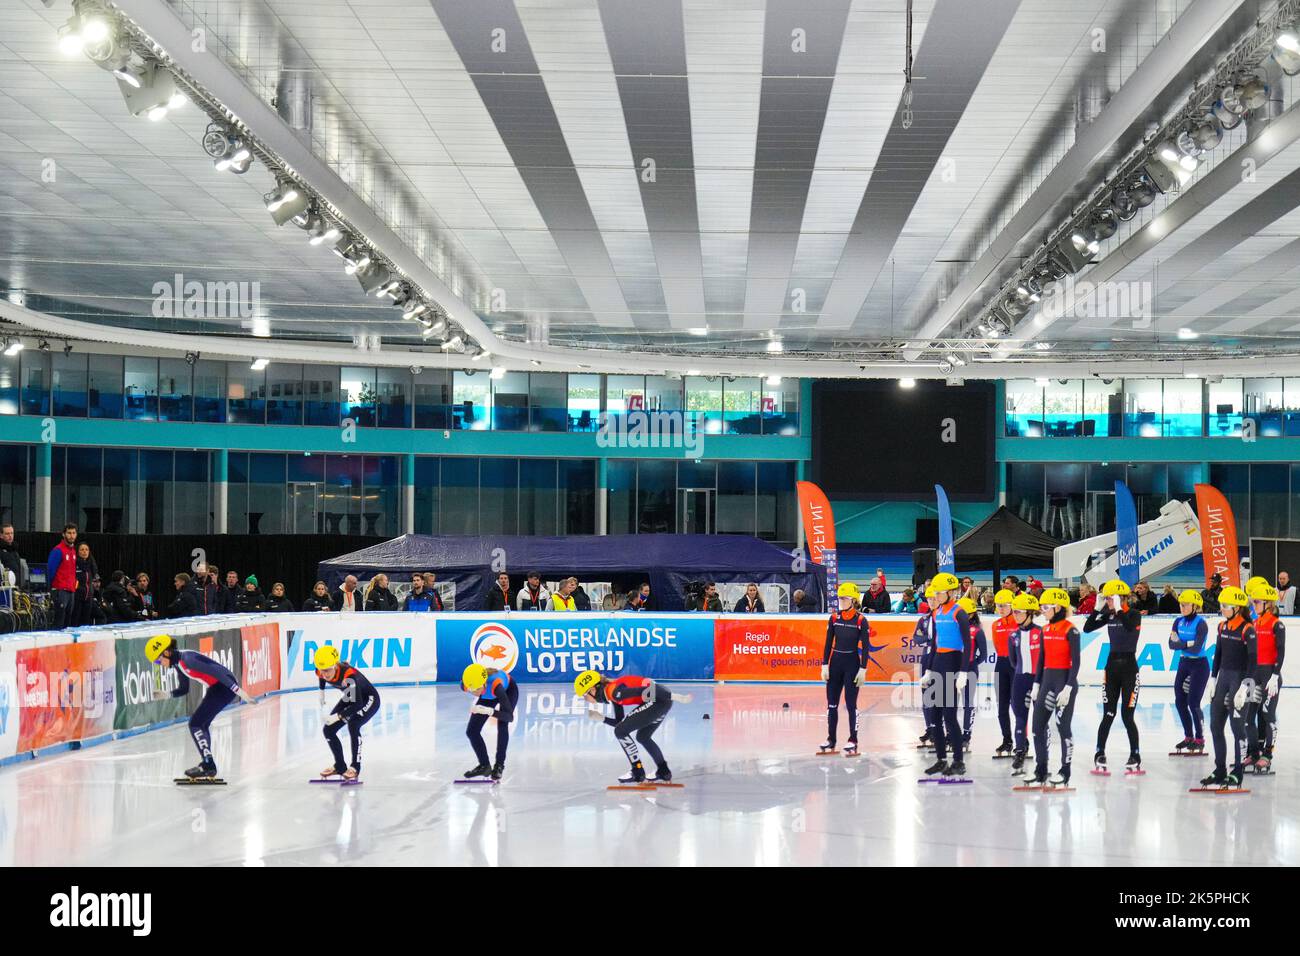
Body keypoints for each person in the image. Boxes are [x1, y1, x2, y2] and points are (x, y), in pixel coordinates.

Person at [144, 633, 255, 780]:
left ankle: (208, 765)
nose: (160, 665)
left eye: (158, 661)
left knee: (196, 723)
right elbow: (184, 689)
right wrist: (167, 695)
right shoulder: (178, 664)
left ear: (166, 652)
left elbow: (217, 671)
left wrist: (239, 691)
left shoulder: (187, 659)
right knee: (201, 724)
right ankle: (207, 764)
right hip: (217, 688)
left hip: (224, 687)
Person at [576, 669, 692, 784]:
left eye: (585, 696)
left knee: (620, 731)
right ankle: (663, 771)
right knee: (643, 736)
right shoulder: (612, 692)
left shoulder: (614, 692)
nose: (585, 700)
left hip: (659, 699)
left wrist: (674, 696)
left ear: (592, 689)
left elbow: (645, 690)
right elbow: (620, 722)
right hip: (661, 701)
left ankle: (637, 772)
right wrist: (602, 718)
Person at [1086, 579, 1144, 774]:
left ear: (1121, 598)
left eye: (1111, 598)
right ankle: (1099, 752)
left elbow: (1128, 627)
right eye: (1108, 598)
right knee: (1108, 714)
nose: (1109, 601)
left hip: (1129, 669)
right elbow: (1087, 628)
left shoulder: (1134, 615)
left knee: (1127, 716)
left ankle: (1135, 754)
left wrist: (1119, 608)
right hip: (1111, 668)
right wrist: (1096, 608)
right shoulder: (1109, 614)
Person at [1200, 586, 1255, 789]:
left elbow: (1253, 661)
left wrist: (1245, 687)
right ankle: (1220, 769)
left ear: (1237, 608)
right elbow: (1219, 655)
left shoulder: (1248, 629)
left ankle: (1238, 772)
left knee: (1237, 727)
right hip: (1223, 678)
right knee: (1215, 726)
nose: (1221, 608)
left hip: (1241, 681)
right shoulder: (1222, 627)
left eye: (1225, 606)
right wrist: (1213, 679)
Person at [920, 572, 973, 778]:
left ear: (950, 592)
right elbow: (935, 644)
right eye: (935, 593)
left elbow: (967, 644)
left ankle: (958, 761)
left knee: (950, 717)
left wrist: (963, 672)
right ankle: (942, 760)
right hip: (939, 664)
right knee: (934, 716)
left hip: (953, 664)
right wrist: (929, 670)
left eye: (939, 593)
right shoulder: (937, 612)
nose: (936, 596)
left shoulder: (959, 612)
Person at [1027, 588, 1081, 788]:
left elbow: (1076, 662)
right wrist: (1036, 683)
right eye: (1041, 607)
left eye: (1046, 607)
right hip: (1047, 681)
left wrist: (1068, 686)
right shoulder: (1044, 630)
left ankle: (1065, 771)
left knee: (1063, 726)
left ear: (1058, 607)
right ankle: (1041, 770)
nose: (1042, 611)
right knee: (1037, 727)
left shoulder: (1071, 630)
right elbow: (1041, 660)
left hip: (1064, 682)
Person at [818, 582, 873, 756]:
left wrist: (863, 669)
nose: (841, 601)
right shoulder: (834, 618)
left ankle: (853, 740)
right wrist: (824, 664)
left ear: (854, 600)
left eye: (845, 598)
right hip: (835, 664)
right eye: (840, 598)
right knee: (831, 705)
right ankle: (831, 739)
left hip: (852, 665)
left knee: (851, 705)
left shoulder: (861, 620)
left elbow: (865, 647)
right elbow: (828, 643)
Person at [314, 645, 380, 782]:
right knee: (328, 730)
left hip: (368, 699)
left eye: (327, 670)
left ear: (335, 665)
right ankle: (339, 766)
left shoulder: (349, 676)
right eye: (322, 670)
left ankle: (355, 767)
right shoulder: (321, 670)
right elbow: (321, 677)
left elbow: (358, 704)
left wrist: (337, 716)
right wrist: (321, 692)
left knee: (353, 725)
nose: (324, 674)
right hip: (351, 696)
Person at [1245, 581, 1285, 773]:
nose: (1254, 605)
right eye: (1253, 602)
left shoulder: (1277, 624)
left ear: (1268, 603)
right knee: (1248, 715)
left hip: (1269, 676)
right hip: (1255, 675)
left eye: (1257, 602)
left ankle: (1267, 754)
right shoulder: (1254, 623)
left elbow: (1281, 651)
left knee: (1268, 716)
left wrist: (1275, 675)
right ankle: (1253, 753)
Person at [1168, 589, 1210, 755]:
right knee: (1179, 702)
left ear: (1195, 606)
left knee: (1193, 703)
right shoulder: (1177, 621)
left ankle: (1200, 739)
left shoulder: (1201, 623)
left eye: (1185, 605)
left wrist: (1182, 643)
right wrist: (1188, 643)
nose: (1182, 607)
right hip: (1184, 663)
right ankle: (1188, 736)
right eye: (1181, 604)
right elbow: (1171, 645)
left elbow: (1197, 648)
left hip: (1200, 665)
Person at [460, 663, 518, 781]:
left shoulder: (496, 685)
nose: (473, 693)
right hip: (487, 694)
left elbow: (509, 717)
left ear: (484, 683)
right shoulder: (468, 684)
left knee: (502, 725)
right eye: (470, 690)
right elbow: (475, 689)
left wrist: (489, 711)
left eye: (476, 689)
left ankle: (499, 765)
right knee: (472, 731)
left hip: (507, 691)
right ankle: (484, 766)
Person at [1007, 593, 1043, 776]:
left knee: (1040, 721)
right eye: (1014, 612)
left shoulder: (1041, 632)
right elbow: (1013, 662)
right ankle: (1020, 751)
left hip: (1040, 680)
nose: (1015, 615)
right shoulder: (1013, 635)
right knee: (1020, 718)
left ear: (1029, 613)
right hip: (1020, 679)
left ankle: (1042, 758)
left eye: (1019, 612)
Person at [956, 597, 987, 749]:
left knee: (967, 703)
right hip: (953, 668)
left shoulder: (977, 631)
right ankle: (952, 733)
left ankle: (966, 734)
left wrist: (970, 665)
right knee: (950, 703)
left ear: (971, 615)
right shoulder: (954, 628)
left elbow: (983, 654)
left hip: (969, 671)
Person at [990, 588, 1018, 756]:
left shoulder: (1018, 622)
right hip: (1001, 664)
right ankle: (1007, 740)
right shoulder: (995, 625)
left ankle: (1023, 741)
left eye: (1004, 606)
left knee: (1017, 707)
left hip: (1016, 666)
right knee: (1002, 707)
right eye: (998, 606)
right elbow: (997, 646)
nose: (1001, 609)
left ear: (1012, 605)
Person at [46, 523, 78, 628]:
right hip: (60, 591)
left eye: (73, 533)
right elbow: (50, 571)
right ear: (63, 534)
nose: (71, 536)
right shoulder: (58, 550)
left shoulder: (73, 551)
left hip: (71, 591)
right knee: (58, 623)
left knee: (67, 624)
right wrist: (52, 589)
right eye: (69, 533)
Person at [74, 541, 98, 626]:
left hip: (88, 598)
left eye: (86, 550)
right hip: (77, 598)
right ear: (77, 551)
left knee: (86, 623)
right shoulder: (74, 563)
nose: (84, 552)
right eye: (82, 550)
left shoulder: (91, 564)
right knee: (75, 621)